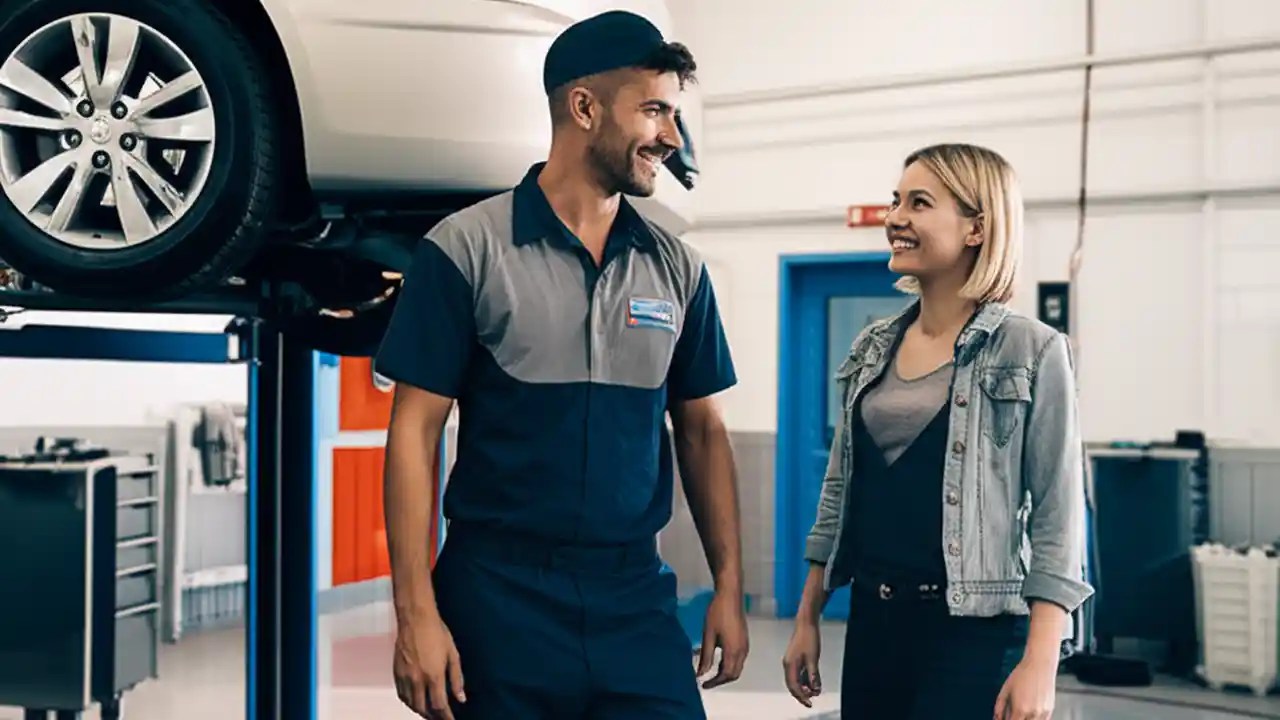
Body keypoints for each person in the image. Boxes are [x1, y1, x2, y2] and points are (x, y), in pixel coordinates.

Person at [374, 10, 749, 720]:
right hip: (498, 598)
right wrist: (415, 613)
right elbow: (414, 432)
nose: (670, 137)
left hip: (633, 596)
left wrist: (730, 587)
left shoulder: (679, 269)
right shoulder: (465, 250)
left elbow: (703, 433)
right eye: (654, 111)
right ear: (584, 107)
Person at [781, 143, 1094, 719]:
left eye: (919, 203)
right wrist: (807, 616)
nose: (895, 218)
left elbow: (1058, 517)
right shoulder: (873, 348)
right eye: (895, 201)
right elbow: (839, 494)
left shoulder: (1033, 350)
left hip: (974, 636)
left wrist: (1042, 661)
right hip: (875, 624)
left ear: (977, 227)